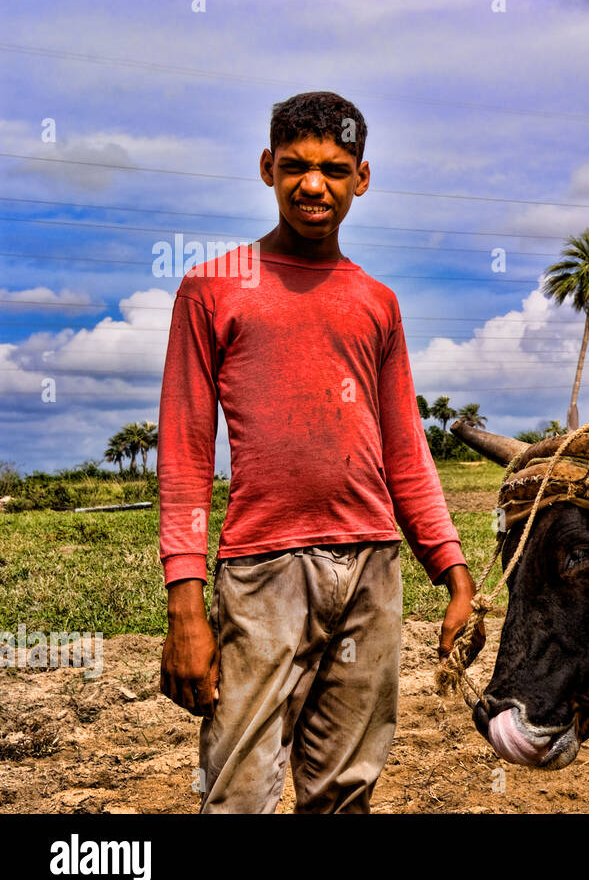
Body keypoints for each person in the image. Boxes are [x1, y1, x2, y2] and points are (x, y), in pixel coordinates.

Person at [158, 91, 484, 813]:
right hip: (262, 571)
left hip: (372, 567)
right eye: (296, 166)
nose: (314, 184)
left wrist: (453, 572)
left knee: (344, 791)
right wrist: (186, 602)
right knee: (238, 793)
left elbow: (405, 451)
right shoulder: (213, 290)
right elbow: (184, 452)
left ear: (361, 178)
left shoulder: (377, 302)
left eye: (334, 169)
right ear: (267, 167)